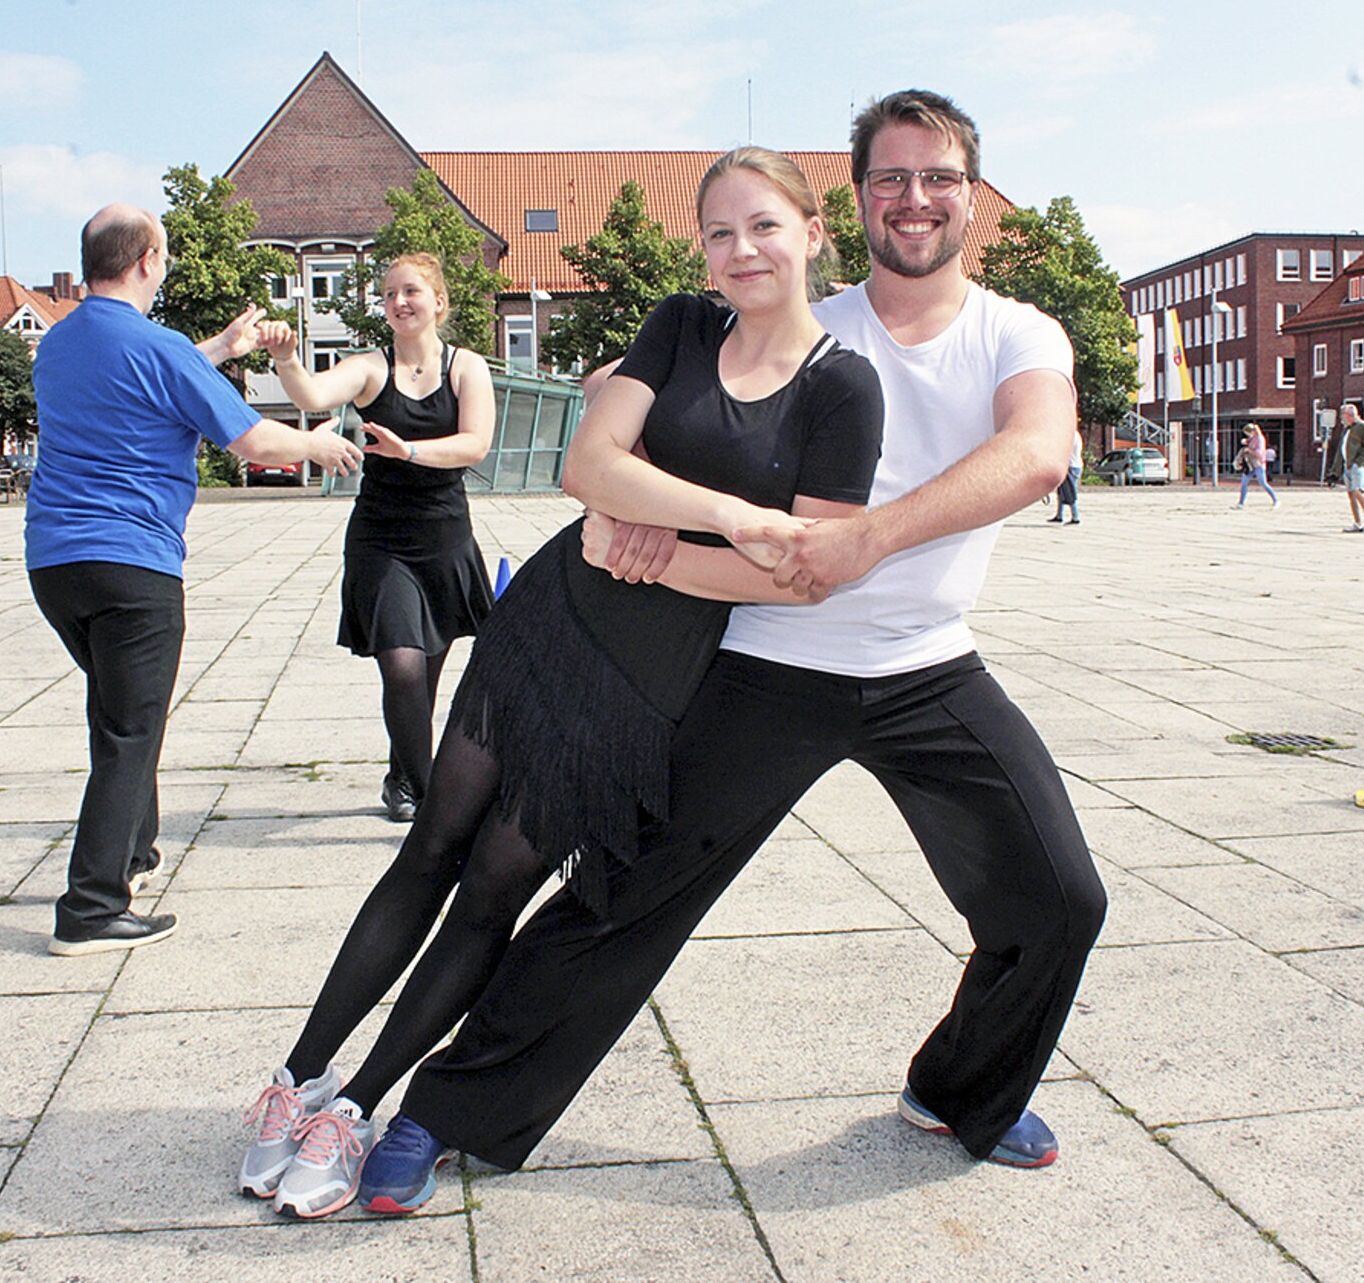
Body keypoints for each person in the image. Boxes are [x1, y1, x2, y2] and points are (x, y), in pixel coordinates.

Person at [355, 90, 1106, 1209]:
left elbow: (1038, 452)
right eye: (890, 177)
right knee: (617, 898)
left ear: (969, 194)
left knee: (1058, 897)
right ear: (850, 204)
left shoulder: (1015, 332)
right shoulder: (794, 311)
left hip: (921, 663)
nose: (914, 198)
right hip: (759, 660)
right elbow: (613, 398)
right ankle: (446, 1109)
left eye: (938, 176)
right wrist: (637, 503)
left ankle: (960, 1088)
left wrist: (858, 543)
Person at [238, 148, 884, 1219]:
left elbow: (803, 570)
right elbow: (590, 466)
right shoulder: (682, 325)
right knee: (433, 841)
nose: (741, 251)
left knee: (495, 880)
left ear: (813, 233)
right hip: (550, 619)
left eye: (764, 226)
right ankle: (298, 1070)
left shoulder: (842, 386)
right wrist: (728, 515)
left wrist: (661, 544)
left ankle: (358, 1100)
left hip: (642, 678)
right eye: (720, 232)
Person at [27, 204, 362, 956]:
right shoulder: (161, 347)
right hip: (131, 564)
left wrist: (222, 345)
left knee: (115, 712)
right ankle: (90, 908)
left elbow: (147, 371)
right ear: (147, 259)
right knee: (129, 730)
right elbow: (247, 435)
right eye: (166, 254)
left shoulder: (57, 342)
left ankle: (134, 854)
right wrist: (316, 445)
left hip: (55, 564)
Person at [267, 254, 497, 824]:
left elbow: (474, 446)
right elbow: (312, 397)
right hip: (381, 540)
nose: (398, 301)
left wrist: (410, 451)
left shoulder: (467, 367)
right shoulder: (371, 367)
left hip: (445, 538)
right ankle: (435, 805)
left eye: (411, 291)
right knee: (402, 667)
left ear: (438, 302)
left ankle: (402, 777)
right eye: (390, 293)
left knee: (428, 678)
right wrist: (288, 360)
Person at [1324, 402, 1364, 533]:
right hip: (1347, 464)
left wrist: (1361, 462)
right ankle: (1357, 522)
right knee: (1351, 494)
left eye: (1343, 415)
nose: (1342, 418)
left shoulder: (1363, 426)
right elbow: (1340, 451)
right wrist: (1335, 472)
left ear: (1350, 415)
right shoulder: (1347, 429)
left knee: (1358, 491)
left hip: (1357, 464)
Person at [1233, 420, 1278, 509]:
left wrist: (1249, 450)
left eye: (1248, 433)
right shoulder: (1253, 438)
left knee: (1263, 483)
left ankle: (1275, 500)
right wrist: (1245, 441)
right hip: (1250, 464)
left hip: (1258, 464)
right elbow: (1248, 441)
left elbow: (1259, 452)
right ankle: (1241, 503)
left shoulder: (1260, 439)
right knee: (1244, 483)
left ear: (1252, 431)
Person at [1049, 427, 1082, 524]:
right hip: (1074, 465)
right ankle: (1059, 515)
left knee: (1069, 491)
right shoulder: (1075, 435)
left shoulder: (1070, 436)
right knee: (1061, 491)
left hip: (1070, 466)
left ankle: (1075, 517)